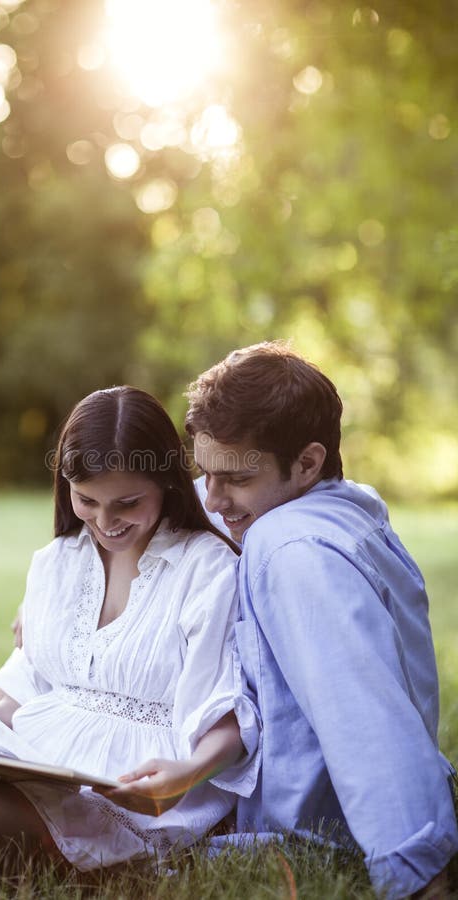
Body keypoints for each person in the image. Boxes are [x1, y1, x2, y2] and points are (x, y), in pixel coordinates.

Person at [0, 387, 258, 871]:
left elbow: (225, 718)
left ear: (168, 484)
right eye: (87, 500)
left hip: (127, 790)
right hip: (35, 753)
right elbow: (34, 688)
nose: (106, 522)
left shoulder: (206, 567)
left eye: (127, 503)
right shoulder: (58, 561)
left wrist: (187, 774)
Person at [184, 341, 458, 900]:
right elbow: (184, 503)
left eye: (234, 479)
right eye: (205, 474)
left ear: (307, 462)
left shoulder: (292, 550)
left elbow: (362, 711)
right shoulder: (338, 506)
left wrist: (417, 868)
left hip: (317, 836)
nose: (212, 499)